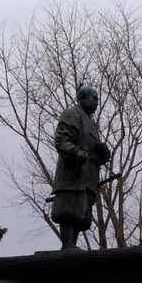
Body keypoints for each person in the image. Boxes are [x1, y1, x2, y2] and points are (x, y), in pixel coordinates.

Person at [50, 86, 110, 250]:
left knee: (81, 213)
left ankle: (72, 244)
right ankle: (67, 244)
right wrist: (75, 152)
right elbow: (61, 140)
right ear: (82, 98)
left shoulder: (91, 123)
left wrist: (103, 154)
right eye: (94, 98)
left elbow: (93, 152)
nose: (97, 102)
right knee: (68, 209)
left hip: (88, 176)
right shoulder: (72, 113)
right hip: (73, 173)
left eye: (98, 99)